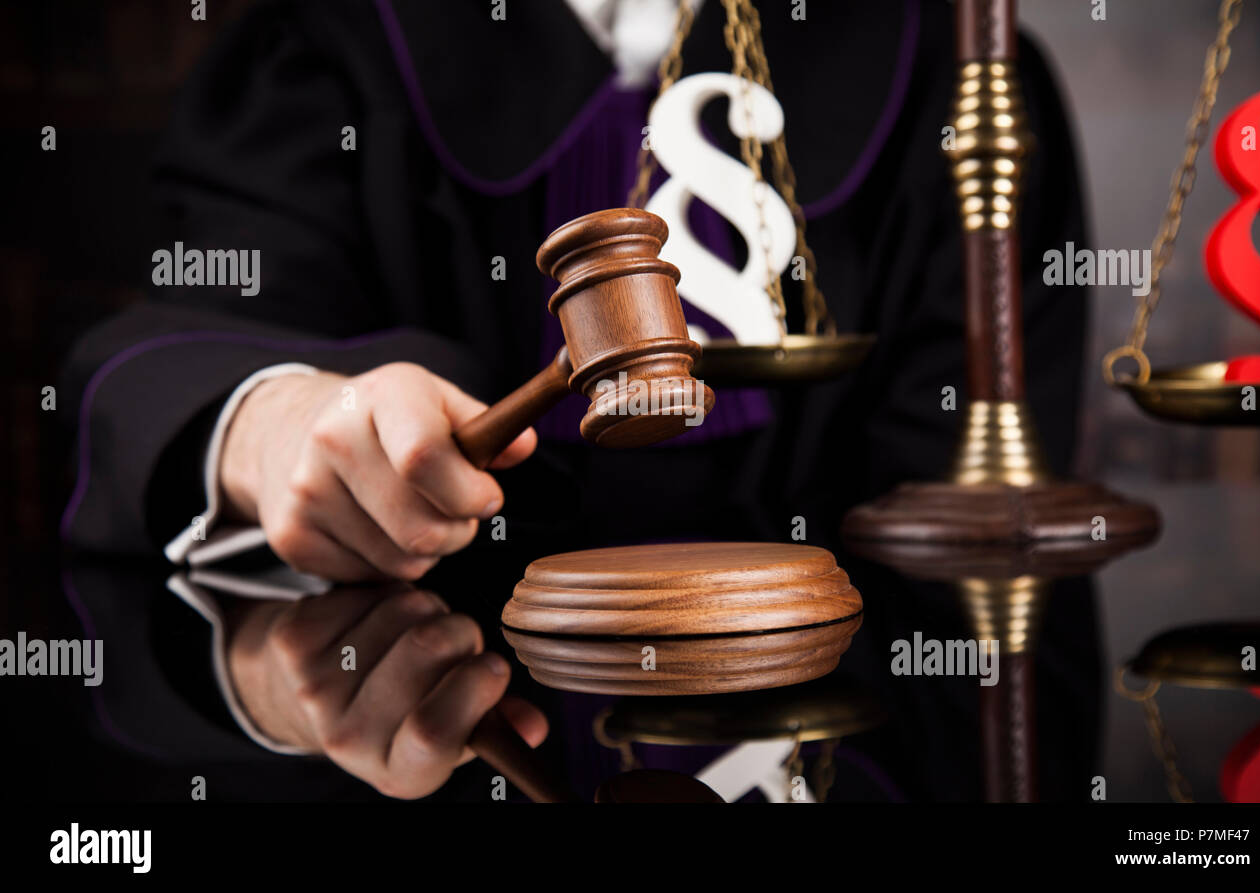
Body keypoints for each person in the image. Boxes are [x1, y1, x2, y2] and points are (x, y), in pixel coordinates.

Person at [60, 0, 1093, 799]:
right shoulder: (332, 45)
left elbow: (965, 502)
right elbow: (178, 340)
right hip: (421, 728)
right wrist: (273, 422)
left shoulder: (950, 70)